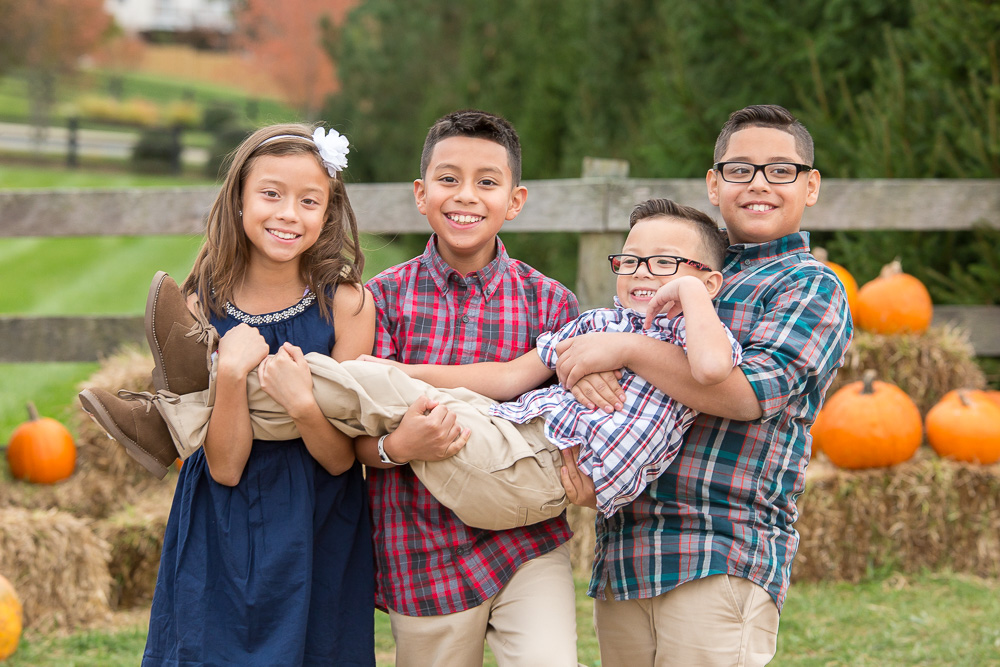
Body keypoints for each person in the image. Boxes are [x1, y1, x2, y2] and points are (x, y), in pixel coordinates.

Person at [87, 198, 742, 528]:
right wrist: (392, 371)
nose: (641, 275)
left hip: (535, 470)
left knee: (361, 383)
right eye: (630, 261)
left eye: (665, 264)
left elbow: (714, 368)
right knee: (361, 383)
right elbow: (512, 376)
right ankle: (178, 418)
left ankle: (192, 387)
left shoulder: (698, 335)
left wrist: (685, 296)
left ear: (708, 281)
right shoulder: (599, 323)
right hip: (507, 428)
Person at [553, 104, 854, 666]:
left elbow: (748, 395)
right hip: (627, 546)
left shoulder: (809, 286)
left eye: (780, 170)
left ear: (810, 186)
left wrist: (628, 349)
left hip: (719, 546)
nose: (758, 183)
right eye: (740, 169)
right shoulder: (673, 264)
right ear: (714, 184)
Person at [79, 123, 377, 665]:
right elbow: (225, 469)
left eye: (309, 201)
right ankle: (160, 417)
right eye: (271, 194)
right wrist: (233, 375)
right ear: (238, 199)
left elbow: (339, 459)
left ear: (328, 213)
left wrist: (303, 404)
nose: (289, 213)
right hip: (224, 520)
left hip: (316, 520)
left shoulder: (350, 308)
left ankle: (155, 420)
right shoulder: (197, 309)